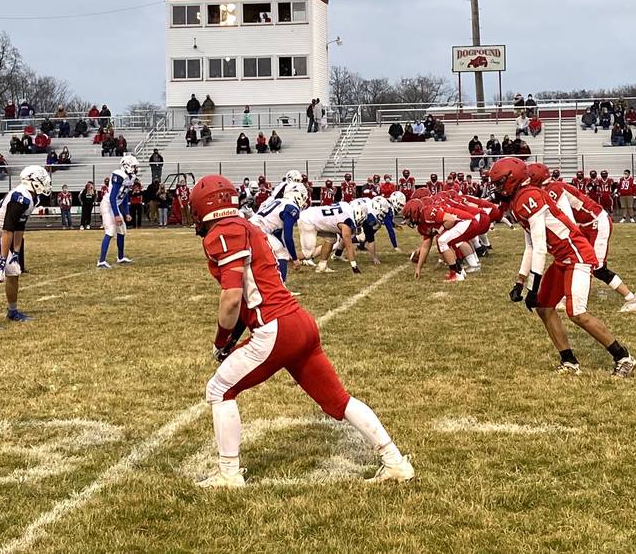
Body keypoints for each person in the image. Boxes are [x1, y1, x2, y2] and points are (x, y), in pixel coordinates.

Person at [188, 174, 414, 487]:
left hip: (275, 329)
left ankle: (228, 473)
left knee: (220, 390)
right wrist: (231, 341)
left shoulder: (224, 232)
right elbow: (248, 295)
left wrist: (221, 340)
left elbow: (232, 299)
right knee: (339, 400)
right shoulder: (248, 227)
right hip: (300, 322)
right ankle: (395, 461)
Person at [488, 158, 636, 377]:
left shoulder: (529, 197)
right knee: (544, 308)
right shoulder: (518, 200)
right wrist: (519, 281)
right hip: (562, 257)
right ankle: (569, 361)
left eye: (500, 183)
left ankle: (623, 357)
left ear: (512, 180)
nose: (497, 188)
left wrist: (532, 287)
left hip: (576, 254)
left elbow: (540, 247)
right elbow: (530, 246)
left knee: (577, 313)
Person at [535, 167, 636, 312]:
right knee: (575, 260)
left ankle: (632, 299)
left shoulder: (553, 189)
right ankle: (568, 296)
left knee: (597, 268)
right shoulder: (551, 188)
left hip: (596, 222)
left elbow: (567, 217)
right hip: (586, 224)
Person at [0, 166, 49, 329]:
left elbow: (19, 226)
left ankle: (12, 311)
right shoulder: (19, 197)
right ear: (32, 181)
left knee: (14, 270)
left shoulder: (31, 198)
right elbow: (8, 229)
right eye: (42, 179)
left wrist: (15, 252)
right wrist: (2, 258)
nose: (46, 182)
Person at [296, 199, 361, 274]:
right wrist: (354, 266)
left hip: (312, 213)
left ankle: (322, 266)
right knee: (307, 253)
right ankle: (286, 258)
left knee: (331, 239)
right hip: (308, 220)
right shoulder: (347, 223)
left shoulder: (345, 206)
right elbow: (348, 246)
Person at [97, 154, 138, 268]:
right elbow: (112, 197)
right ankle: (101, 261)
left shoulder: (130, 177)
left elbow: (124, 196)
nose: (135, 168)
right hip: (107, 205)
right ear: (127, 166)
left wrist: (126, 212)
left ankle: (120, 257)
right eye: (134, 166)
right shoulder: (119, 175)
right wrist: (116, 215)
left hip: (115, 205)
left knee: (122, 230)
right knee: (110, 231)